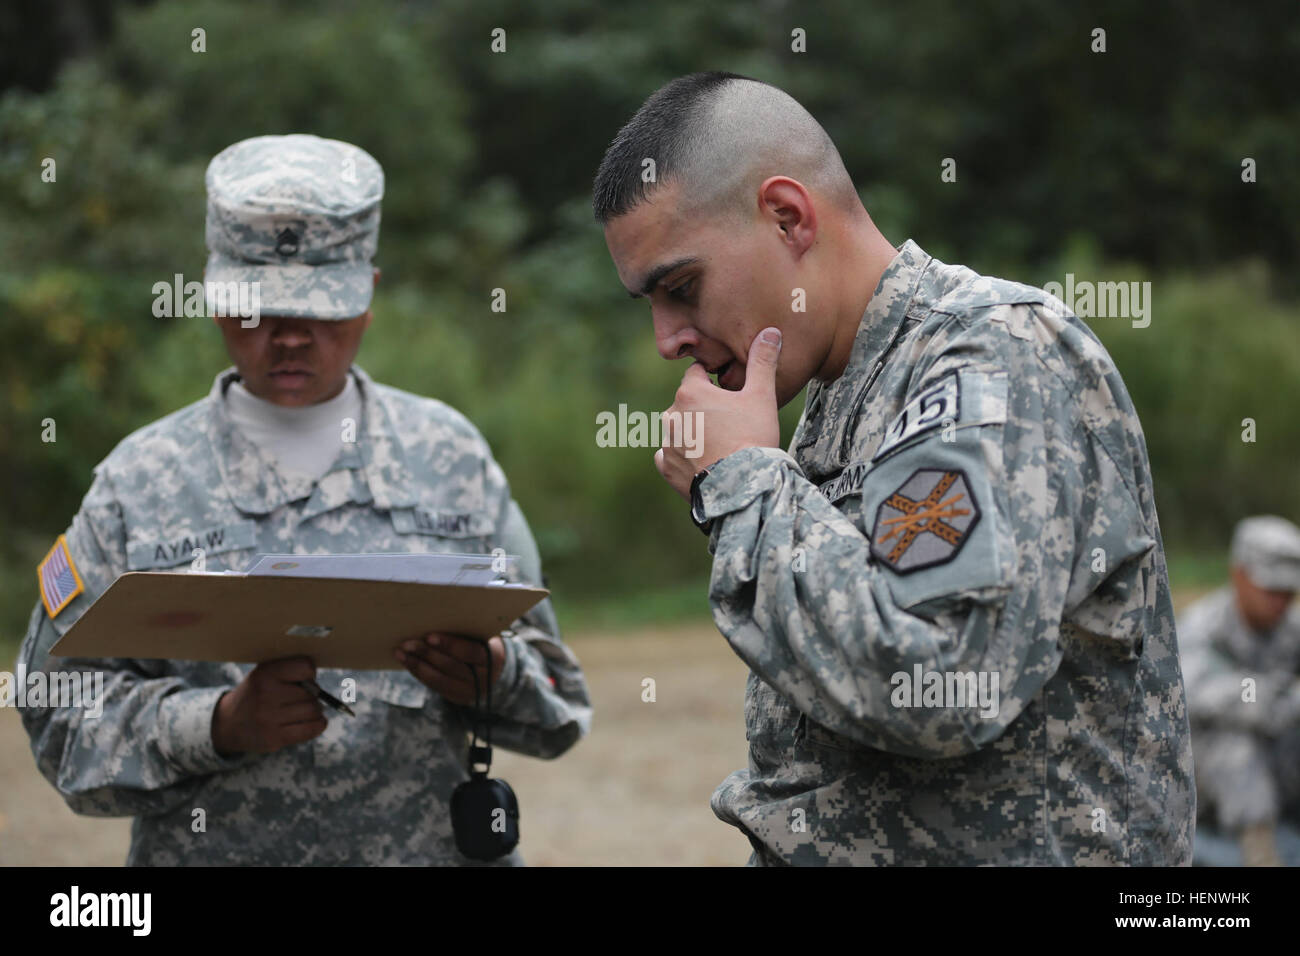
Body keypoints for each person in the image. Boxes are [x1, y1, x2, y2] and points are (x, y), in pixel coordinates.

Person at [593, 72, 1193, 865]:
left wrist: (741, 483)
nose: (668, 338)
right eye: (653, 305)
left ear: (786, 216)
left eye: (681, 288)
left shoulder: (993, 357)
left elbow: (942, 684)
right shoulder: (840, 394)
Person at [18, 133, 591, 865]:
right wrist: (220, 725)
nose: (289, 339)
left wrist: (496, 673)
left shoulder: (450, 458)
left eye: (319, 311)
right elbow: (56, 717)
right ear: (215, 300)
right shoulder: (138, 483)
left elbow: (559, 699)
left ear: (368, 297)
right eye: (259, 311)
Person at [1179, 515, 1300, 866]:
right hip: (1213, 778)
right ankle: (1260, 854)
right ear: (1239, 575)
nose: (1281, 601)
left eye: (1288, 591)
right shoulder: (1203, 627)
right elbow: (1193, 694)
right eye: (1271, 590)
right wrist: (1275, 700)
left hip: (1278, 764)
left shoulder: (1290, 629)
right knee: (1235, 740)